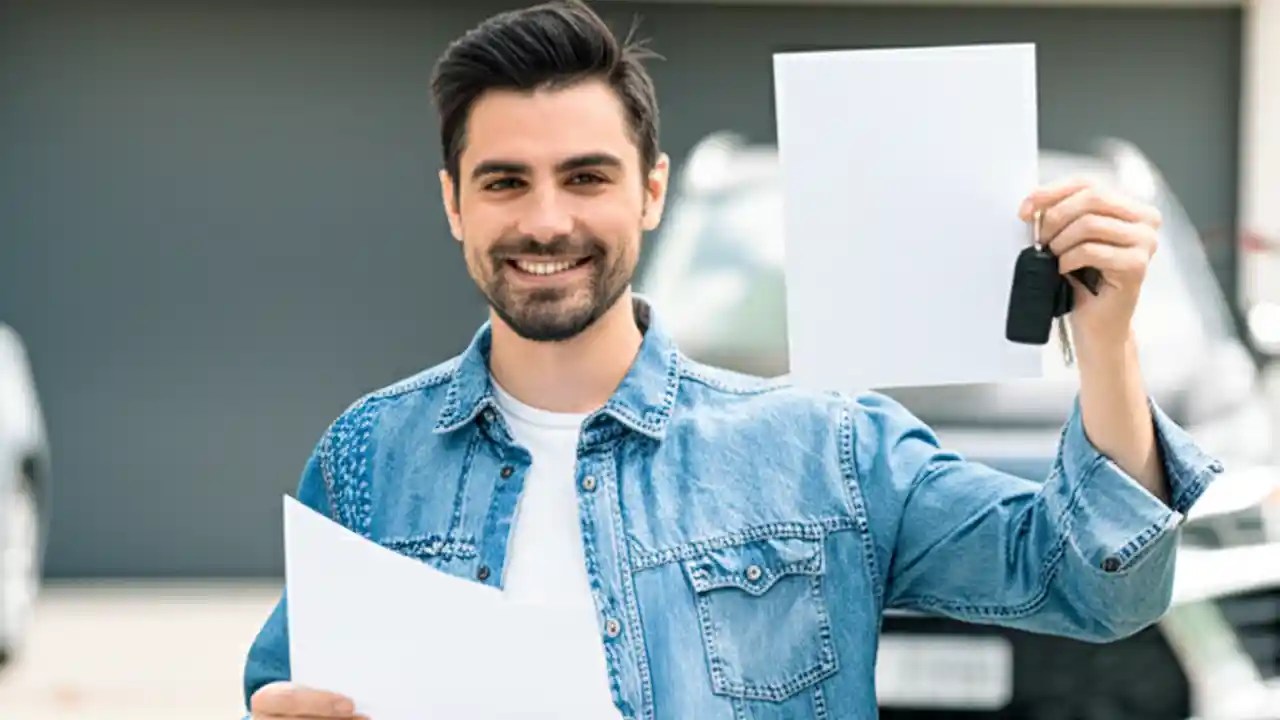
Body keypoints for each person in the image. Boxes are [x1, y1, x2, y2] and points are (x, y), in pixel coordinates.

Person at [243, 1, 1224, 718]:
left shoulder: (822, 449)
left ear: (650, 191)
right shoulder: (370, 456)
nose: (545, 220)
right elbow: (281, 687)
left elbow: (1097, 591)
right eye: (506, 182)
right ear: (456, 202)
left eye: (586, 177)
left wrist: (1103, 343)